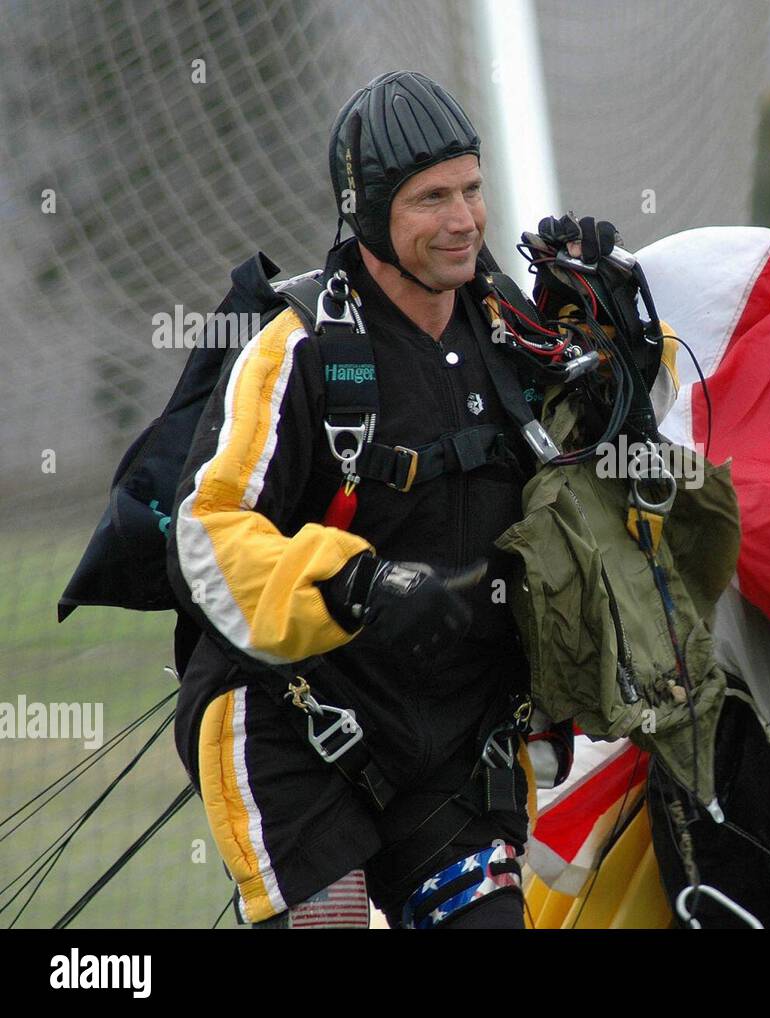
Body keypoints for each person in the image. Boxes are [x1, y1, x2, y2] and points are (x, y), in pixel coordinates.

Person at [169, 71, 554, 929]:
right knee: (332, 918)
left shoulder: (513, 335)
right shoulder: (300, 349)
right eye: (430, 199)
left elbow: (605, 479)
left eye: (472, 190)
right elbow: (205, 535)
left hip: (457, 738)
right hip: (292, 721)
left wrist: (618, 338)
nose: (462, 220)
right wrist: (354, 585)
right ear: (370, 212)